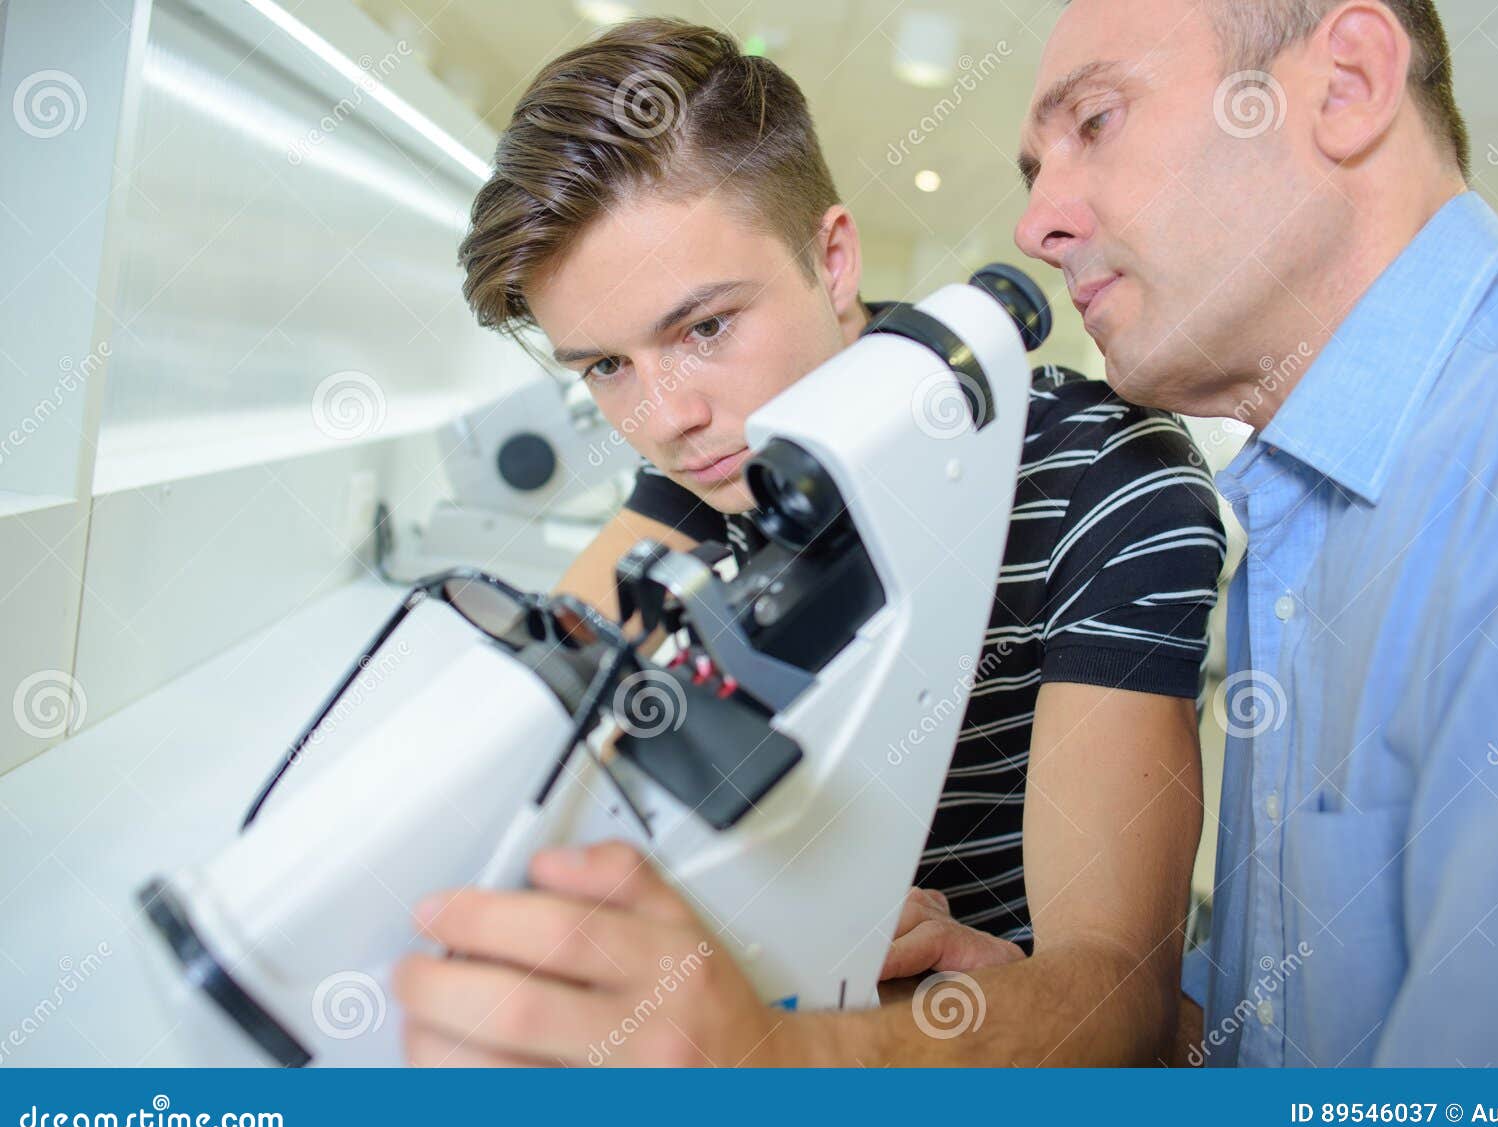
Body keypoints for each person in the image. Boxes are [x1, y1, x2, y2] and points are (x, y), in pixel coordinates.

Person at [392, 17, 1226, 1065]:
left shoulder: (1103, 473)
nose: (662, 419)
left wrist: (787, 1044)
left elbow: (1120, 1000)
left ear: (832, 260)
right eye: (603, 366)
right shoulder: (709, 467)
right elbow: (532, 742)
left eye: (704, 329)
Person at [1014, 0, 1498, 1065]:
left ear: (1347, 85)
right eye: (1031, 170)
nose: (1037, 224)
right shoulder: (1297, 519)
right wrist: (1041, 1023)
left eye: (1094, 122)